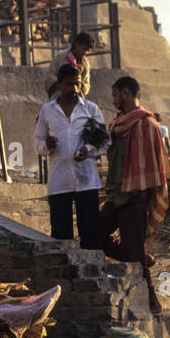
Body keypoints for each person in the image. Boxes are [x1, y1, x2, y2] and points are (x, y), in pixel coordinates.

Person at [101, 75, 169, 313]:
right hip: (115, 196)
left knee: (134, 255)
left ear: (127, 93)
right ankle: (139, 255)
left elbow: (156, 165)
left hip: (134, 197)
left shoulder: (147, 124)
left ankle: (152, 301)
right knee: (94, 234)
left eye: (116, 95)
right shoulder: (115, 125)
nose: (114, 100)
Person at [35, 64, 106, 249]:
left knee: (90, 234)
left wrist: (88, 150)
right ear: (59, 85)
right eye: (69, 84)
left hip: (87, 181)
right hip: (59, 182)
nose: (74, 89)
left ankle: (93, 275)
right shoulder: (47, 110)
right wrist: (47, 146)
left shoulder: (90, 109)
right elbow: (38, 142)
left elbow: (105, 141)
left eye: (77, 84)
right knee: (61, 236)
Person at [44, 31, 92, 99]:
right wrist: (63, 83)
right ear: (76, 44)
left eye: (87, 50)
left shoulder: (85, 63)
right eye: (83, 49)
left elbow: (86, 84)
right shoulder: (60, 57)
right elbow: (48, 76)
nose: (84, 52)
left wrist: (79, 85)